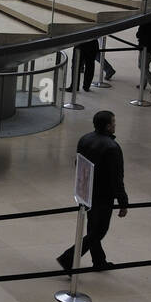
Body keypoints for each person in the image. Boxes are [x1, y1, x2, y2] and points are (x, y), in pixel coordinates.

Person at [57, 111, 128, 271]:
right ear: (108, 126)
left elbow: (79, 163)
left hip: (86, 191)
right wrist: (123, 202)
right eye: (113, 123)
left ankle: (99, 261)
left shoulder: (85, 139)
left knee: (92, 227)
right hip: (103, 195)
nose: (115, 125)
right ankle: (68, 258)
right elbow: (117, 177)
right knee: (99, 231)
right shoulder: (112, 148)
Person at [136, 18, 151, 92]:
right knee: (145, 66)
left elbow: (138, 34)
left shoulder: (144, 22)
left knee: (142, 66)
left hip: (145, 48)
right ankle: (143, 84)